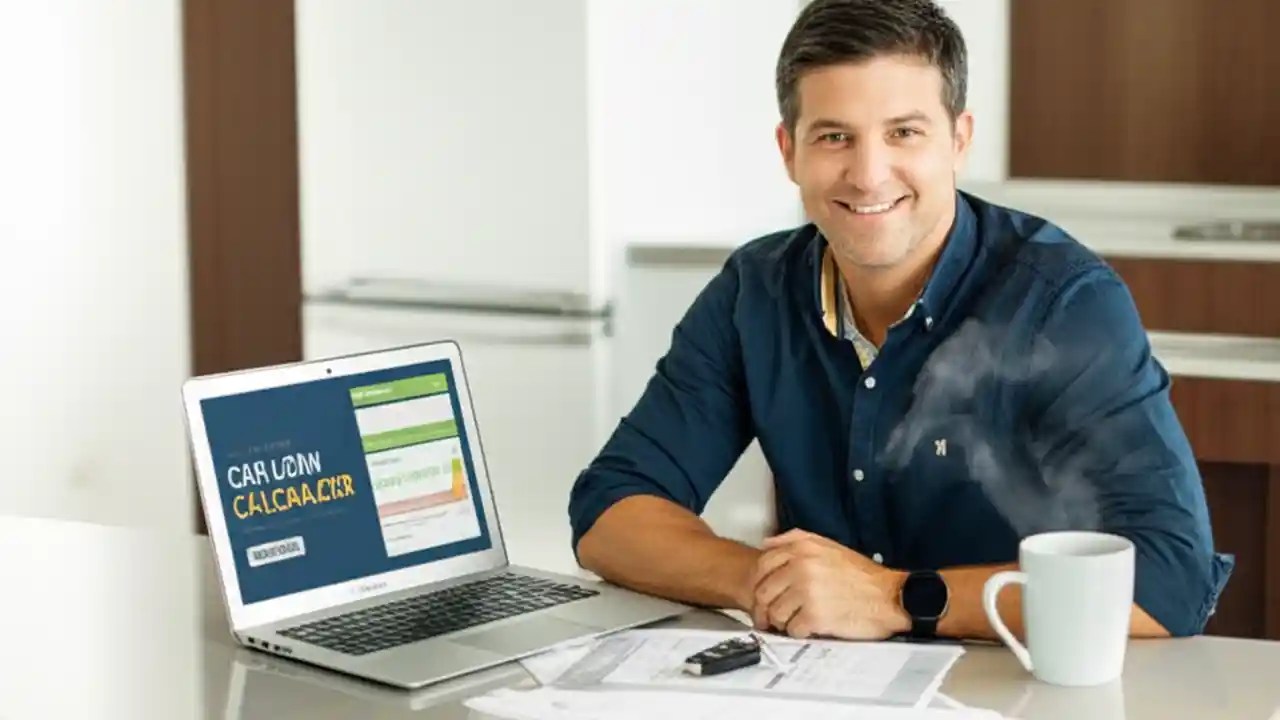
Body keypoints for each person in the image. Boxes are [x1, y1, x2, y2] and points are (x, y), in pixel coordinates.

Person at [568, 0, 1232, 641]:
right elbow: (611, 510)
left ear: (958, 141)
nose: (868, 173)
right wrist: (771, 582)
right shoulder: (757, 291)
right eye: (834, 137)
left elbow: (1167, 579)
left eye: (903, 133)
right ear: (788, 150)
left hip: (1014, 686)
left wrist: (893, 598)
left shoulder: (1062, 302)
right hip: (823, 687)